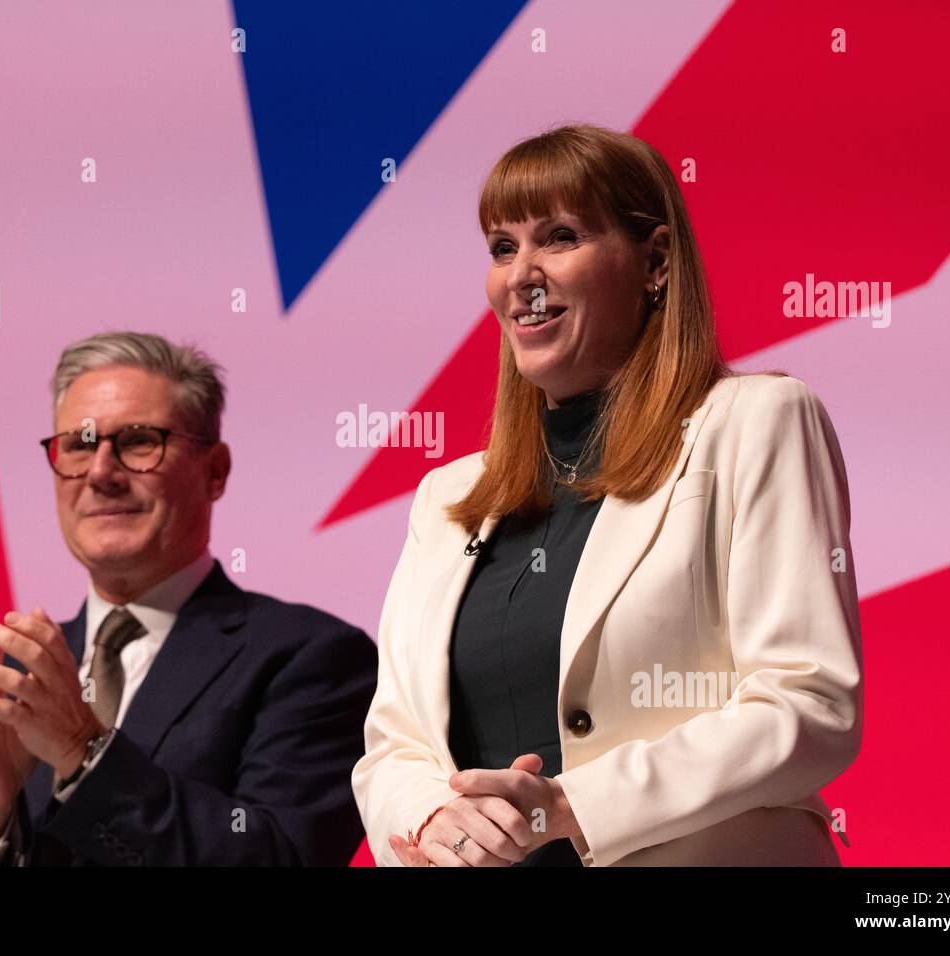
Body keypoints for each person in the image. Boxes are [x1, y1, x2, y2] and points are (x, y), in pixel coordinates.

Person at [351, 124, 863, 867]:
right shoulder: (447, 496)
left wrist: (574, 805)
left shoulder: (755, 422)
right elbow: (394, 744)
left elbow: (810, 702)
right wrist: (433, 824)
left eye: (558, 238)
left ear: (655, 261)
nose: (520, 275)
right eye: (501, 247)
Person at [0, 332, 377, 865]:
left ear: (215, 471)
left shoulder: (311, 660)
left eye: (139, 441)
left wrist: (85, 753)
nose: (101, 473)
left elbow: (279, 859)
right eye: (78, 445)